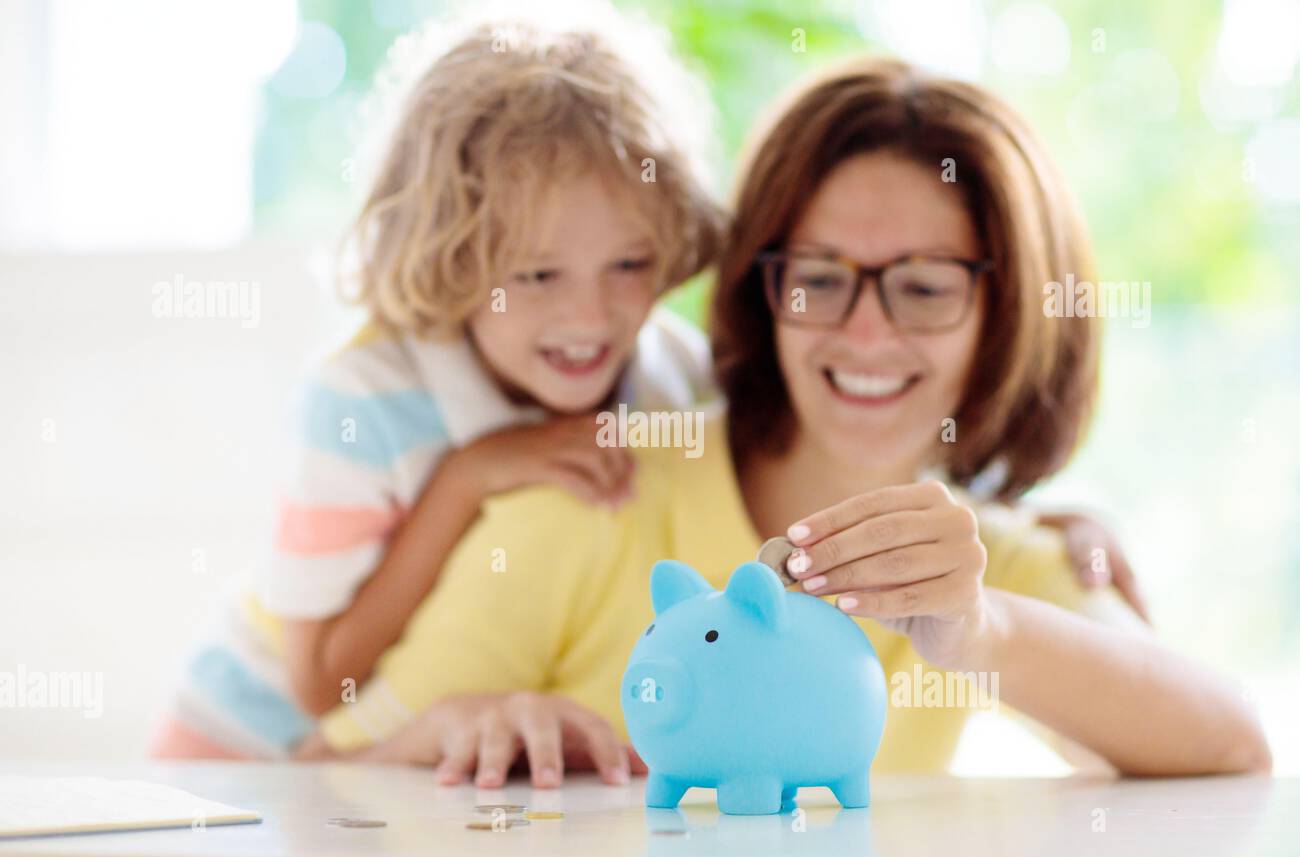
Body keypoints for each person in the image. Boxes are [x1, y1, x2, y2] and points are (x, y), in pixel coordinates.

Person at [293, 58, 1270, 785]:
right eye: (819, 279)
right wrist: (453, 724)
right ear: (762, 293)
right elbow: (305, 775)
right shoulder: (591, 494)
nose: (867, 330)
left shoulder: (980, 571)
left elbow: (1232, 749)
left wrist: (979, 629)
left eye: (924, 286)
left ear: (999, 317)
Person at [150, 6, 724, 758]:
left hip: (432, 766)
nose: (591, 315)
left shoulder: (672, 374)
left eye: (630, 264)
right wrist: (467, 478)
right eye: (537, 273)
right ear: (454, 261)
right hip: (245, 754)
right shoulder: (364, 401)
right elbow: (323, 683)